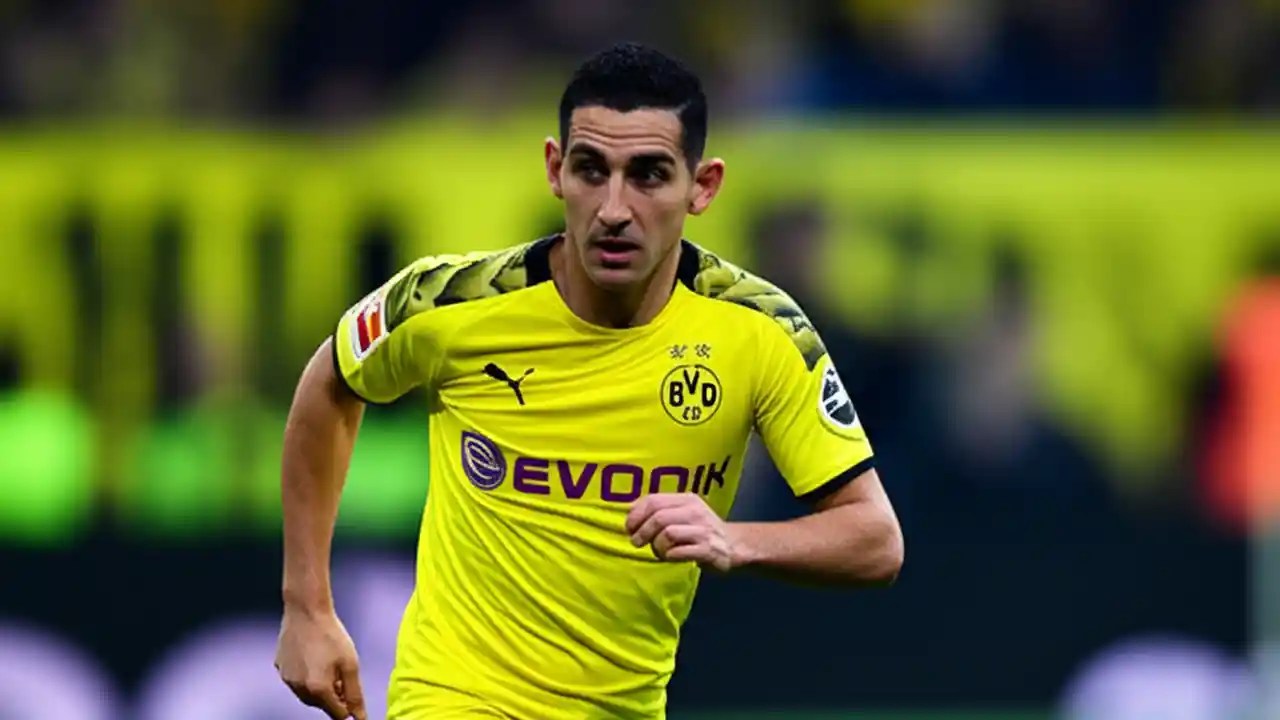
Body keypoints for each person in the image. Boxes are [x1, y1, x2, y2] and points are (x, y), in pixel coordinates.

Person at [274, 42, 904, 720]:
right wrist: (307, 606)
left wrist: (737, 541)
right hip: (455, 698)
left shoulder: (760, 331)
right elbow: (332, 379)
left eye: (649, 176)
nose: (612, 207)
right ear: (555, 169)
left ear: (704, 186)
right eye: (591, 169)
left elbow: (874, 539)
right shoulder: (451, 304)